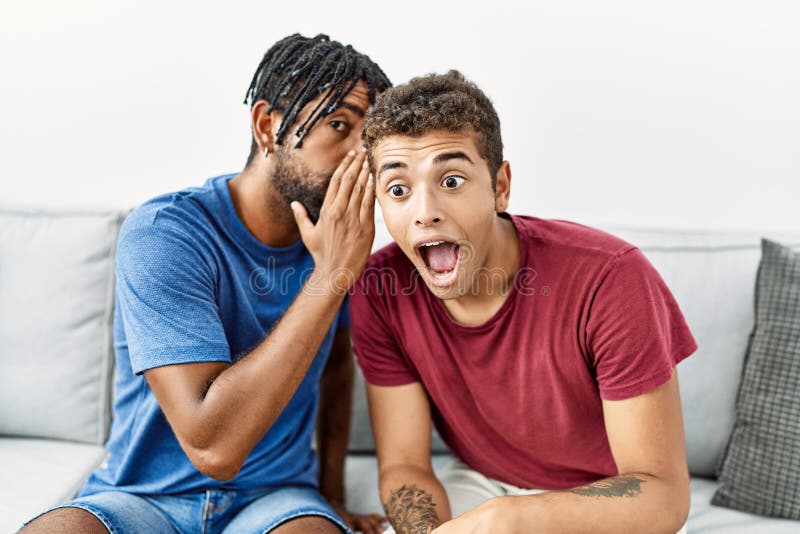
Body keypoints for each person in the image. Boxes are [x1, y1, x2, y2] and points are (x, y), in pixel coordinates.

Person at [21, 33, 390, 534]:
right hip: (143, 498)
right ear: (266, 125)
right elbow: (213, 446)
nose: (357, 159)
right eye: (338, 125)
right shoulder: (167, 234)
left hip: (276, 500)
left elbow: (337, 368)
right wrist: (331, 277)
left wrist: (332, 494)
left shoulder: (338, 242)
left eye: (369, 143)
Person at [351, 70, 698, 534]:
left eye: (451, 181)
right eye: (398, 190)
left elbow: (662, 494)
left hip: (603, 501)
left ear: (500, 187)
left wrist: (510, 520)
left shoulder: (610, 277)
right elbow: (406, 469)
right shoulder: (379, 290)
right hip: (479, 484)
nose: (425, 210)